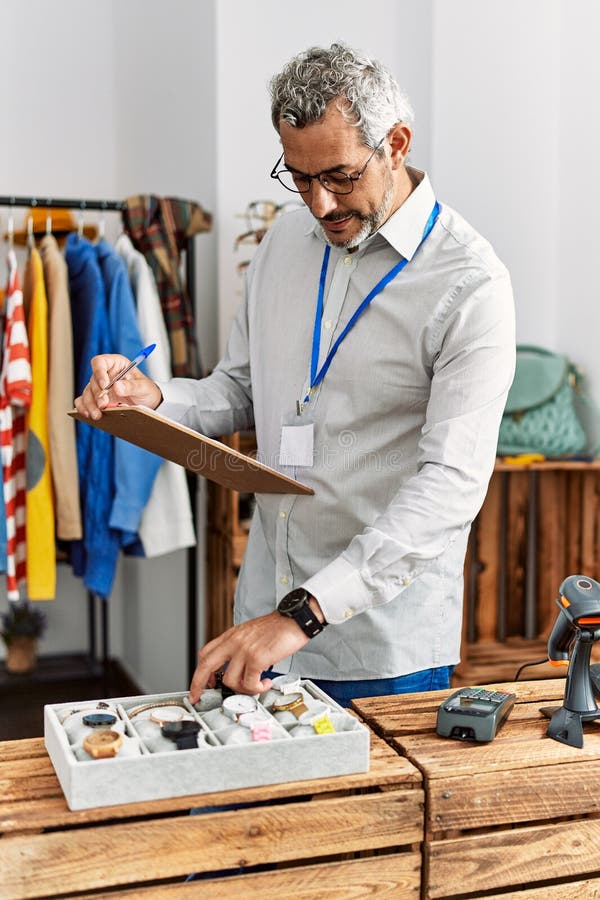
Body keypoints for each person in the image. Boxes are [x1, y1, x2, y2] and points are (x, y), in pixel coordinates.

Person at [75, 42, 515, 708]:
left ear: (396, 143)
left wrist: (303, 613)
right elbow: (237, 392)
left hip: (380, 646)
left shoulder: (470, 284)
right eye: (300, 177)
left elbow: (449, 487)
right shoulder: (282, 242)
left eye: (338, 175)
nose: (318, 203)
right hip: (263, 625)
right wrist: (155, 398)